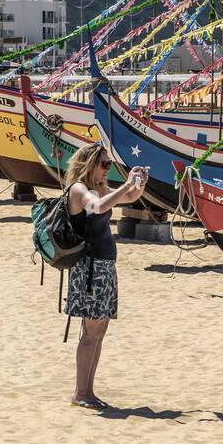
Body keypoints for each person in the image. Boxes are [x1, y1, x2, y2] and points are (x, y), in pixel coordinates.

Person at [61, 143, 147, 410]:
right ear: (89, 165)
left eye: (108, 164)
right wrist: (124, 186)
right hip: (89, 268)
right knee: (91, 330)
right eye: (104, 164)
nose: (107, 168)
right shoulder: (79, 189)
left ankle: (88, 390)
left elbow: (129, 198)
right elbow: (96, 208)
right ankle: (80, 392)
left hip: (103, 266)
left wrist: (138, 183)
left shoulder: (98, 189)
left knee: (100, 330)